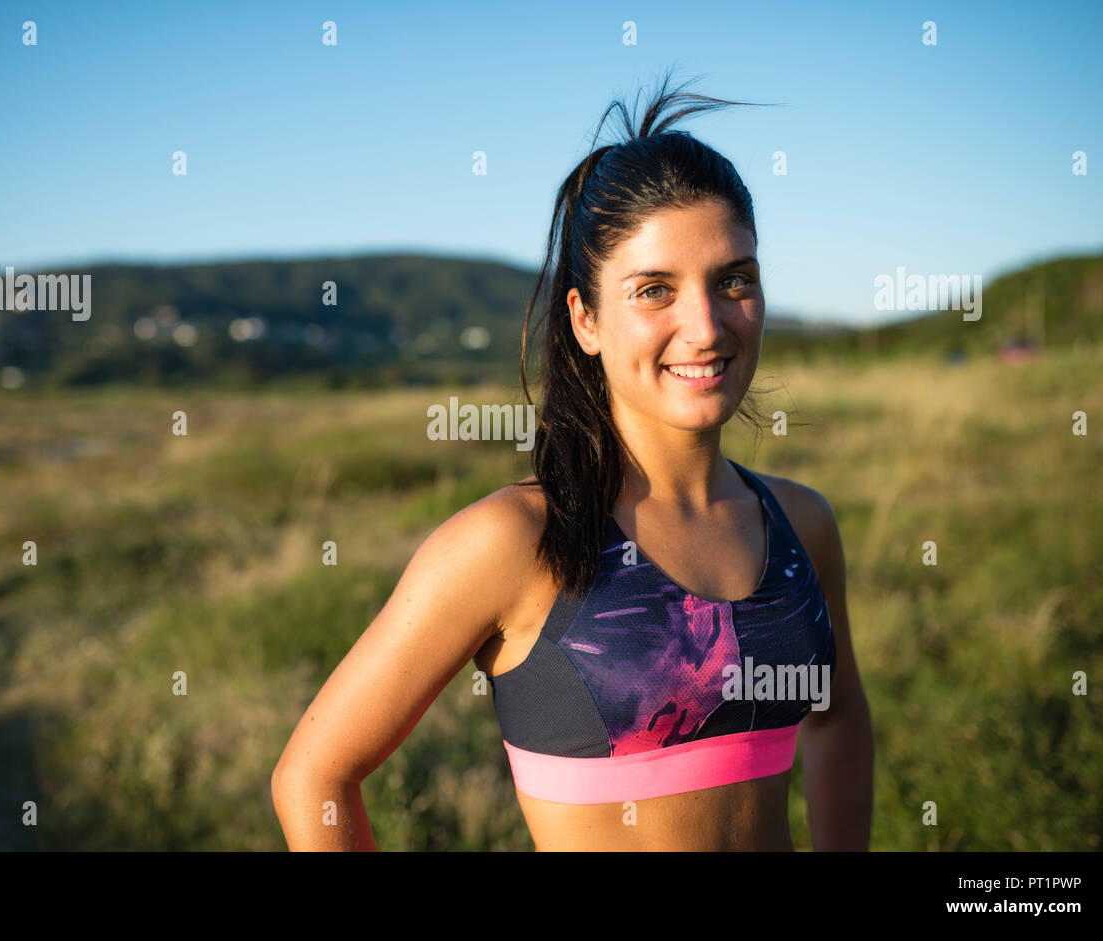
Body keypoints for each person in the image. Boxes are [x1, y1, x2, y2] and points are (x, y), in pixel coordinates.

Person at [272, 73, 873, 851]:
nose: (705, 326)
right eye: (654, 289)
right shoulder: (515, 541)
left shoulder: (802, 525)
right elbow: (313, 776)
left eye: (733, 280)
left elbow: (839, 721)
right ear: (586, 320)